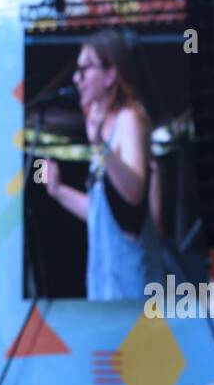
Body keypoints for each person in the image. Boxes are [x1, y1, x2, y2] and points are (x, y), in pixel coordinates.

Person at [43, 29, 162, 301]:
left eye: (84, 69)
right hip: (105, 285)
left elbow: (134, 191)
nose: (76, 78)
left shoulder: (128, 119)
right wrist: (59, 191)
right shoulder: (102, 128)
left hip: (134, 289)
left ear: (110, 75)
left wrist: (100, 144)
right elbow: (103, 215)